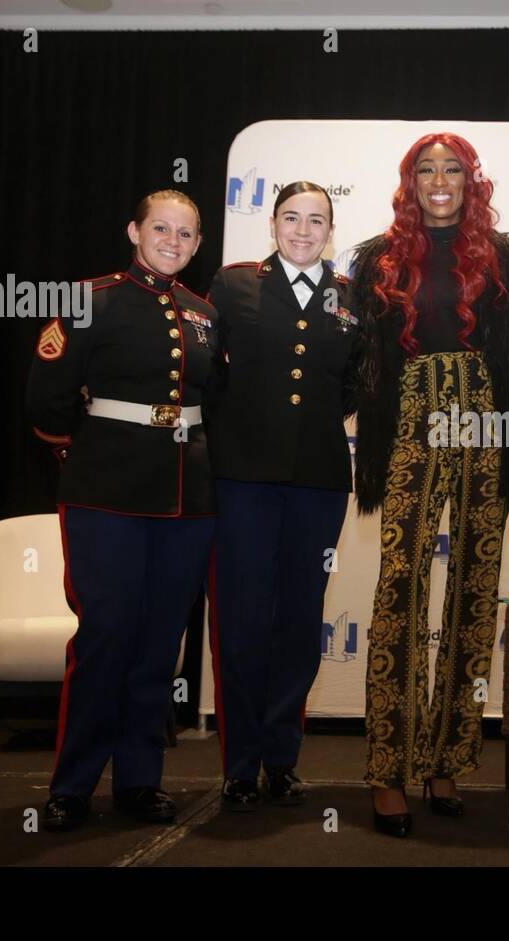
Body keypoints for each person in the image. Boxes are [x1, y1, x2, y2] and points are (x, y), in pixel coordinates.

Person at [347, 132, 509, 838]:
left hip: (485, 422)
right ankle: (388, 769)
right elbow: (359, 360)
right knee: (400, 588)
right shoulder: (379, 259)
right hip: (412, 419)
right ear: (409, 182)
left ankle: (447, 761)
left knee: (475, 588)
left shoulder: (505, 257)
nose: (440, 179)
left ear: (471, 180)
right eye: (426, 169)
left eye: (452, 168)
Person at [27, 189, 217, 831]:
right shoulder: (91, 298)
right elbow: (48, 398)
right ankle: (72, 786)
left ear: (197, 243)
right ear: (135, 230)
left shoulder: (203, 314)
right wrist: (82, 459)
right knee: (105, 639)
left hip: (185, 500)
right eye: (160, 228)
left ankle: (139, 782)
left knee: (159, 645)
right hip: (105, 494)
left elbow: (213, 402)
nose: (172, 240)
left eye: (186, 233)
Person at [204, 181, 360, 812]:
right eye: (291, 218)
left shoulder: (353, 300)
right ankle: (240, 763)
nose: (303, 230)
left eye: (316, 220)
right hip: (242, 478)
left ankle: (280, 757)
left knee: (299, 621)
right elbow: (209, 375)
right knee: (243, 618)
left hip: (319, 482)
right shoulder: (232, 286)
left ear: (330, 230)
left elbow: (353, 386)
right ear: (271, 224)